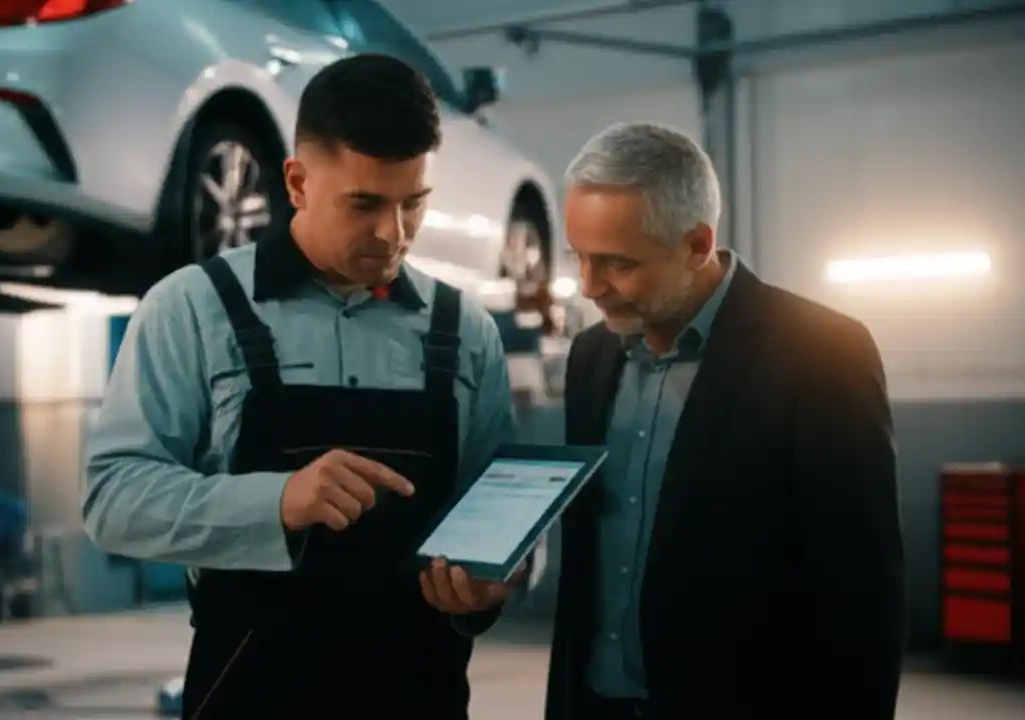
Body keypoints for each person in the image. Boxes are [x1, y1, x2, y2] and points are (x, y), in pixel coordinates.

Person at [82, 54, 517, 719]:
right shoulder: (193, 309)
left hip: (419, 692)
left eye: (413, 205)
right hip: (249, 689)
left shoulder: (467, 332)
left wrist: (497, 583)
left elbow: (504, 515)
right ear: (297, 181)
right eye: (364, 204)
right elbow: (112, 497)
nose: (392, 234)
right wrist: (277, 501)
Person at [546, 123, 906, 720]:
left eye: (618, 264)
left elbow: (862, 594)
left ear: (696, 244)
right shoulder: (592, 356)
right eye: (579, 257)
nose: (589, 287)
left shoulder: (822, 353)